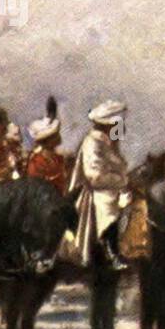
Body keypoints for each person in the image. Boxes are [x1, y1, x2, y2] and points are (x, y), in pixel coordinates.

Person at [70, 100, 131, 270]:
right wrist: (121, 180)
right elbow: (94, 177)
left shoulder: (109, 141)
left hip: (114, 186)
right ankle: (110, 250)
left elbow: (119, 162)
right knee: (108, 205)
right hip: (95, 192)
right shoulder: (92, 142)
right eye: (116, 125)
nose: (119, 129)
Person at [25, 97, 70, 193]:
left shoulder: (58, 158)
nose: (59, 137)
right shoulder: (37, 162)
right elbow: (35, 189)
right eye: (55, 135)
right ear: (47, 140)